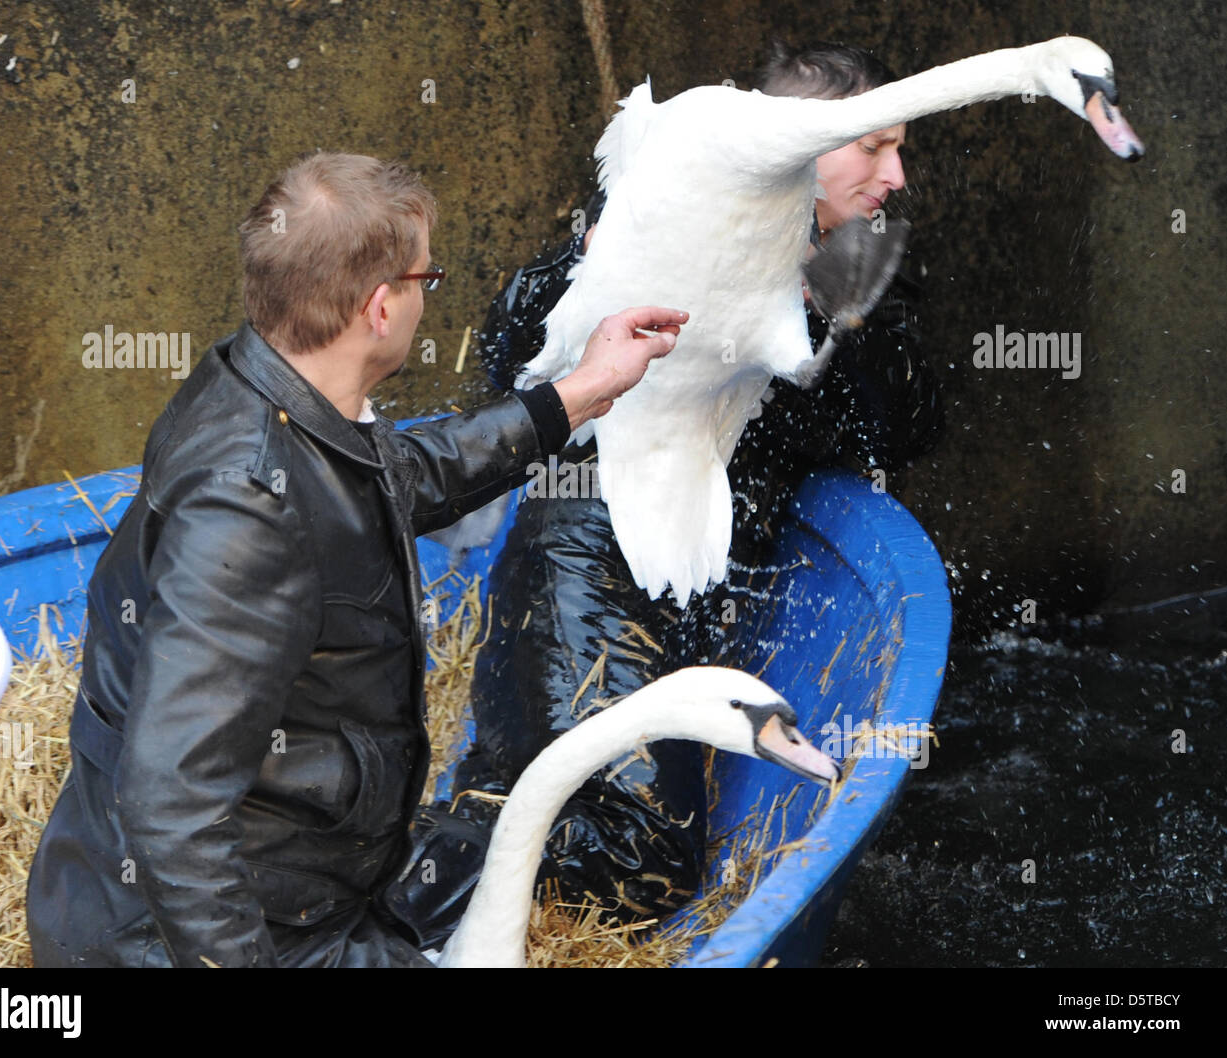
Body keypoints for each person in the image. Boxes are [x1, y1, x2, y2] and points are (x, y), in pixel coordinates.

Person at [25, 152, 688, 968]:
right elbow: (171, 808)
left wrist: (577, 393)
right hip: (191, 944)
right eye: (424, 279)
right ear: (382, 306)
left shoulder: (267, 386)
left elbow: (395, 479)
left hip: (305, 890)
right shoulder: (244, 512)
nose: (423, 299)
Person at [383, 43, 945, 944]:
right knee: (634, 857)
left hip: (694, 584)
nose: (897, 174)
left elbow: (908, 429)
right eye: (873, 147)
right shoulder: (678, 207)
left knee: (610, 828)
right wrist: (583, 254)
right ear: (792, 142)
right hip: (586, 557)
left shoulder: (861, 260)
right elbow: (509, 362)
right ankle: (369, 932)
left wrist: (848, 313)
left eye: (899, 146)